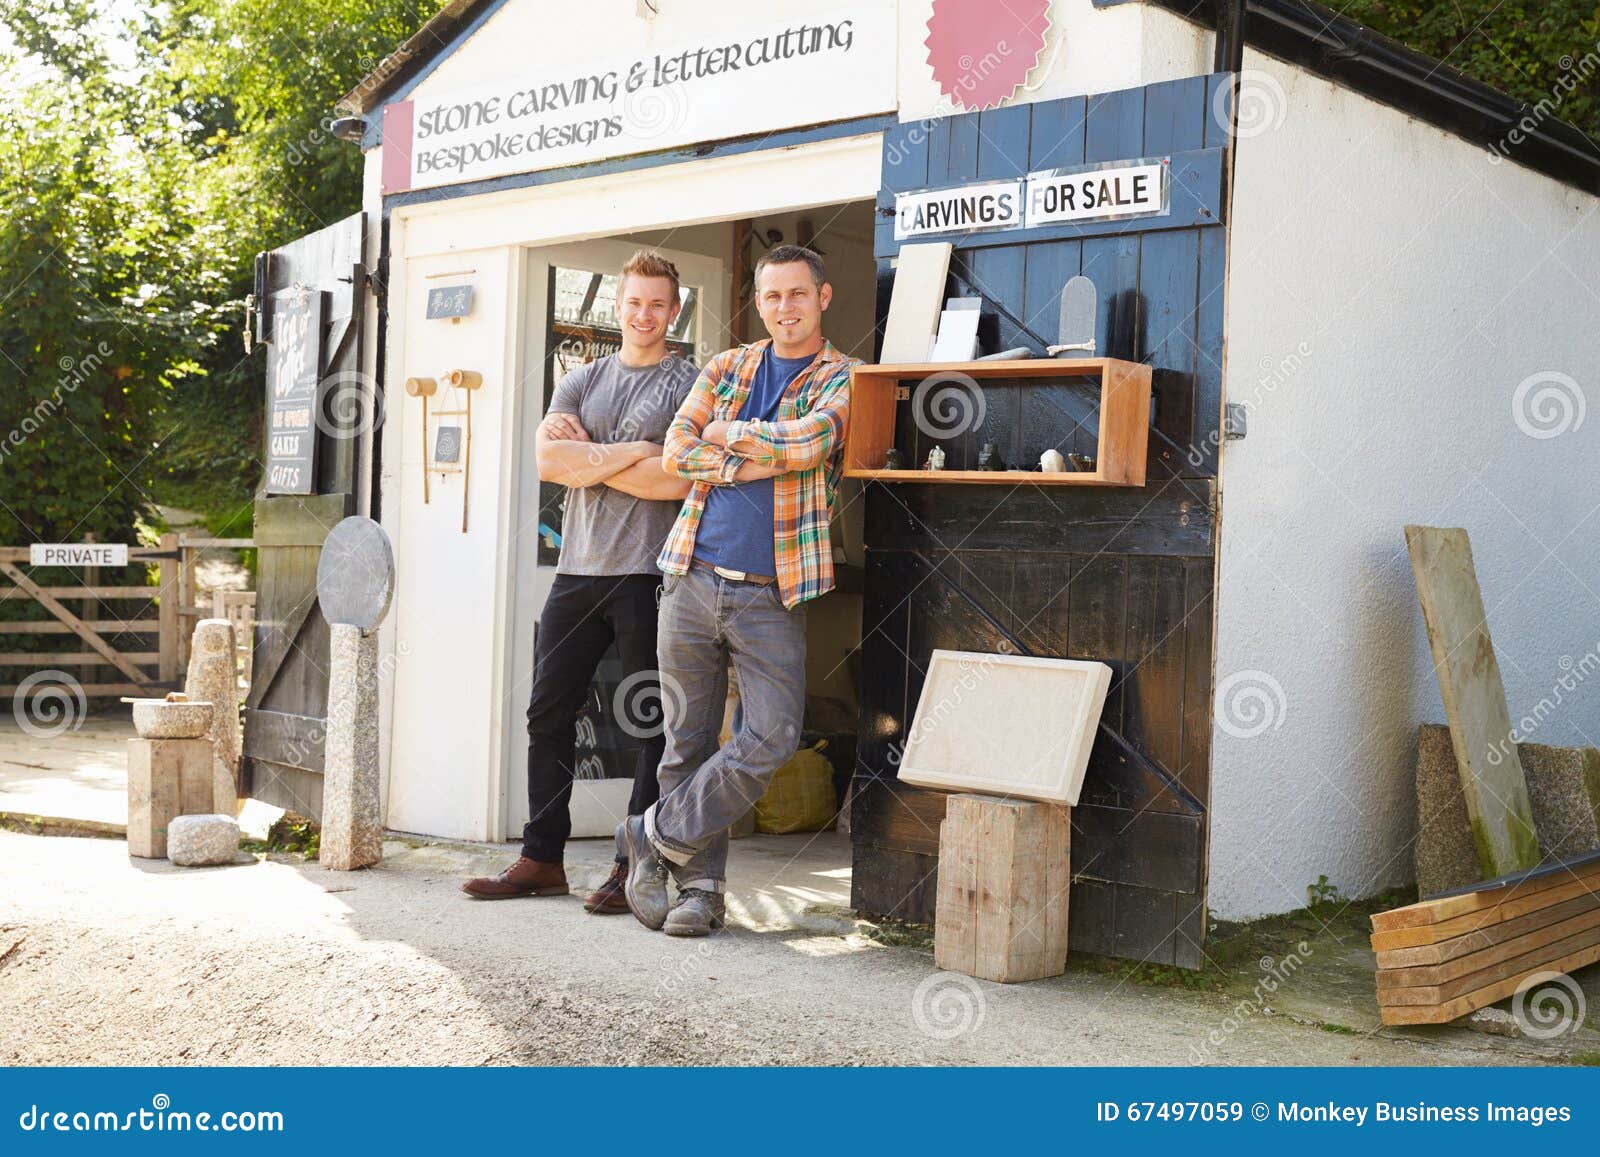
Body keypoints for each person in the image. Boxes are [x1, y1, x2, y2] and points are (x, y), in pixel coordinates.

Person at [616, 244, 856, 936]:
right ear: (759, 303)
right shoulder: (726, 366)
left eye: (798, 295)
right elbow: (677, 451)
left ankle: (653, 833)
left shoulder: (843, 377)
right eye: (773, 296)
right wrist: (746, 453)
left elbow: (808, 443)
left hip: (771, 590)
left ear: (823, 297)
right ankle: (700, 891)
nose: (786, 307)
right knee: (685, 743)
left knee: (773, 734)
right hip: (690, 576)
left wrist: (728, 437)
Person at [463, 250, 696, 911]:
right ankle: (541, 858)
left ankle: (634, 865)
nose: (644, 313)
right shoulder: (583, 377)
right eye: (634, 301)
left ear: (671, 311)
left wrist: (588, 459)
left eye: (657, 303)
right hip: (576, 571)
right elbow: (548, 460)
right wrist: (633, 454)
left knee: (650, 721)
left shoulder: (688, 383)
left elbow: (676, 477)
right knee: (547, 712)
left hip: (646, 573)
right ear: (616, 307)